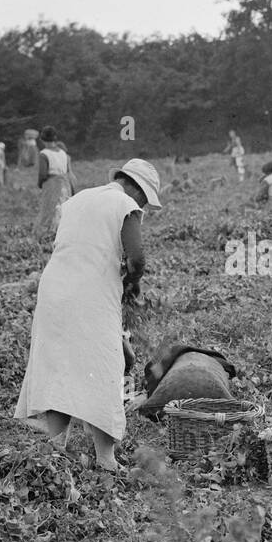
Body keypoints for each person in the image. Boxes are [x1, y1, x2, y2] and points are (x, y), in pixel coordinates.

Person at [16, 159, 162, 473]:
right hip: (91, 292)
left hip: (54, 289)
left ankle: (56, 445)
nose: (143, 206)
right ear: (135, 186)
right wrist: (130, 280)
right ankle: (106, 459)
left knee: (61, 362)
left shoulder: (77, 199)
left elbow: (76, 245)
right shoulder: (125, 204)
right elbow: (137, 259)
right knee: (106, 363)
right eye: (145, 199)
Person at [35, 132, 74, 240]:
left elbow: (42, 174)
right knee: (63, 209)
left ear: (43, 140)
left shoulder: (44, 154)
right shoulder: (63, 153)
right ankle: (62, 234)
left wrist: (40, 184)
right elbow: (67, 171)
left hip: (51, 183)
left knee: (48, 209)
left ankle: (46, 235)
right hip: (65, 183)